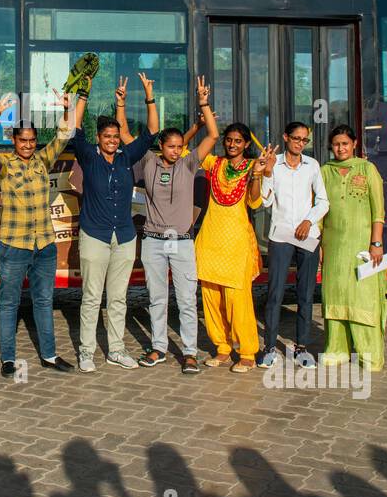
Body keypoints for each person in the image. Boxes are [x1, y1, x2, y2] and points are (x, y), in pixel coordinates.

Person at [0, 91, 86, 378]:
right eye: (22, 140)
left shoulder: (42, 161)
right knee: (8, 302)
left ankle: (49, 355)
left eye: (32, 140)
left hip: (45, 245)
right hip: (14, 246)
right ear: (13, 140)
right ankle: (8, 360)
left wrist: (66, 109)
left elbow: (62, 137)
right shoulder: (4, 165)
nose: (27, 145)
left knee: (44, 301)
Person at [71, 73, 158, 372]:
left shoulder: (126, 157)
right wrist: (85, 94)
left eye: (115, 136)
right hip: (95, 235)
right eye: (106, 136)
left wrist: (148, 96)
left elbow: (151, 134)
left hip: (124, 236)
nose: (111, 140)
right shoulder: (88, 157)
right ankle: (86, 352)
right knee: (92, 297)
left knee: (119, 298)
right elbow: (75, 129)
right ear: (99, 138)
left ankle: (116, 350)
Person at [133, 75, 218, 374]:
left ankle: (190, 353)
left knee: (185, 300)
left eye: (180, 146)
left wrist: (203, 102)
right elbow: (135, 136)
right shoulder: (148, 162)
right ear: (161, 146)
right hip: (154, 240)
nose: (175, 150)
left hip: (182, 241)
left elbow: (212, 136)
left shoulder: (189, 164)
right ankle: (158, 348)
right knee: (156, 299)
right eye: (170, 146)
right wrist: (147, 96)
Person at [194, 122, 272, 372]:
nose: (232, 144)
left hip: (236, 242)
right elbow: (186, 151)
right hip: (210, 240)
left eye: (238, 141)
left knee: (237, 298)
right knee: (211, 296)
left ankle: (248, 351)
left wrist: (258, 173)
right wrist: (202, 119)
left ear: (246, 144)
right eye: (229, 139)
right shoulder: (214, 163)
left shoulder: (251, 166)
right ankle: (223, 348)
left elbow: (254, 200)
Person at [258, 121, 330, 370]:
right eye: (296, 138)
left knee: (306, 294)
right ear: (285, 137)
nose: (300, 143)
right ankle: (268, 348)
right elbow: (265, 202)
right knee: (275, 294)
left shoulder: (312, 165)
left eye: (304, 140)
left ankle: (302, 347)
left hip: (307, 235)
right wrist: (266, 174)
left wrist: (309, 221)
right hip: (280, 236)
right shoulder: (273, 162)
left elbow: (323, 201)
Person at [320, 125, 387, 372]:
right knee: (335, 295)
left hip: (363, 246)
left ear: (354, 144)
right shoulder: (325, 171)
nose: (340, 148)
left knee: (363, 297)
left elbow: (378, 209)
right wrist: (319, 245)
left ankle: (369, 354)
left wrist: (376, 243)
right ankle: (336, 349)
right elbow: (319, 208)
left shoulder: (367, 169)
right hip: (334, 245)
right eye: (336, 144)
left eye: (345, 144)